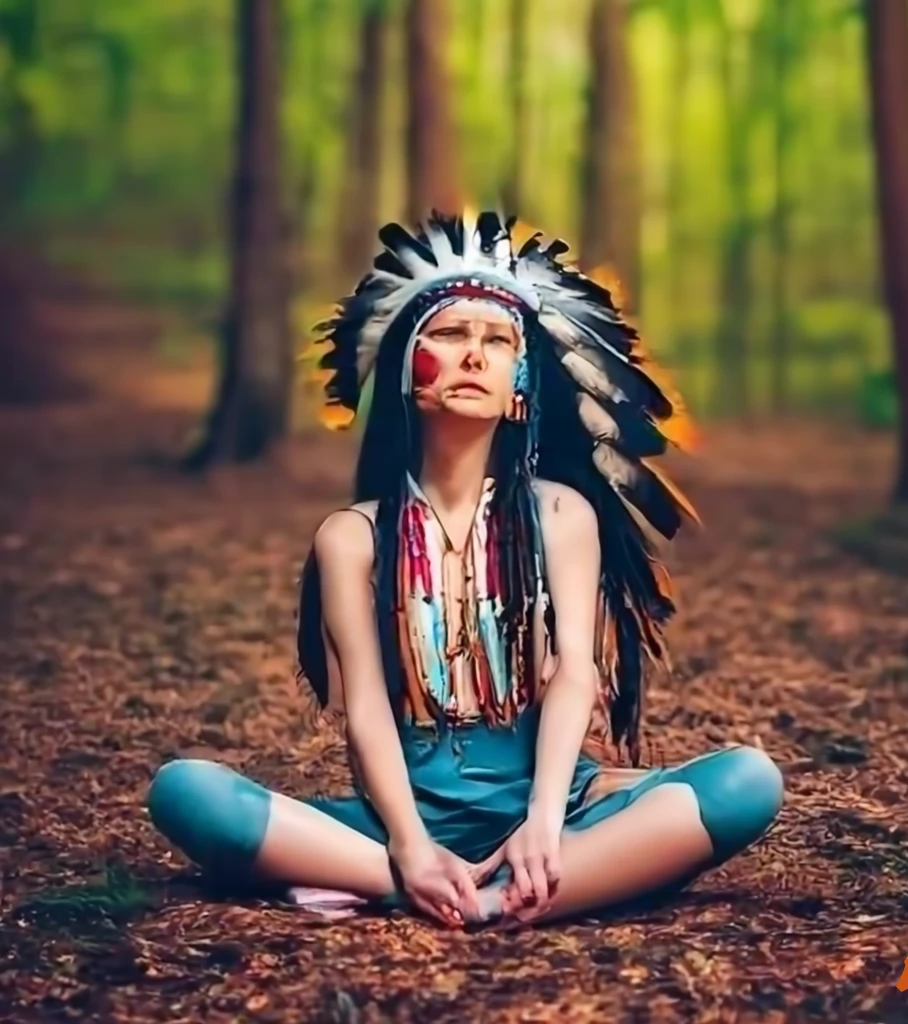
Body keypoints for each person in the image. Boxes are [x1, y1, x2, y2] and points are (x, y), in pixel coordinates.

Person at [147, 211, 783, 930]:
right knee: (186, 792)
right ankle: (460, 886)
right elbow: (365, 711)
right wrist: (412, 845)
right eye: (449, 335)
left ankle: (485, 895)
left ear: (521, 385)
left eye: (497, 340)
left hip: (560, 806)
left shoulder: (562, 516)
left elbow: (575, 672)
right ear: (405, 376)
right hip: (399, 820)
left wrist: (543, 818)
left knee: (746, 781)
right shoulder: (351, 539)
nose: (475, 355)